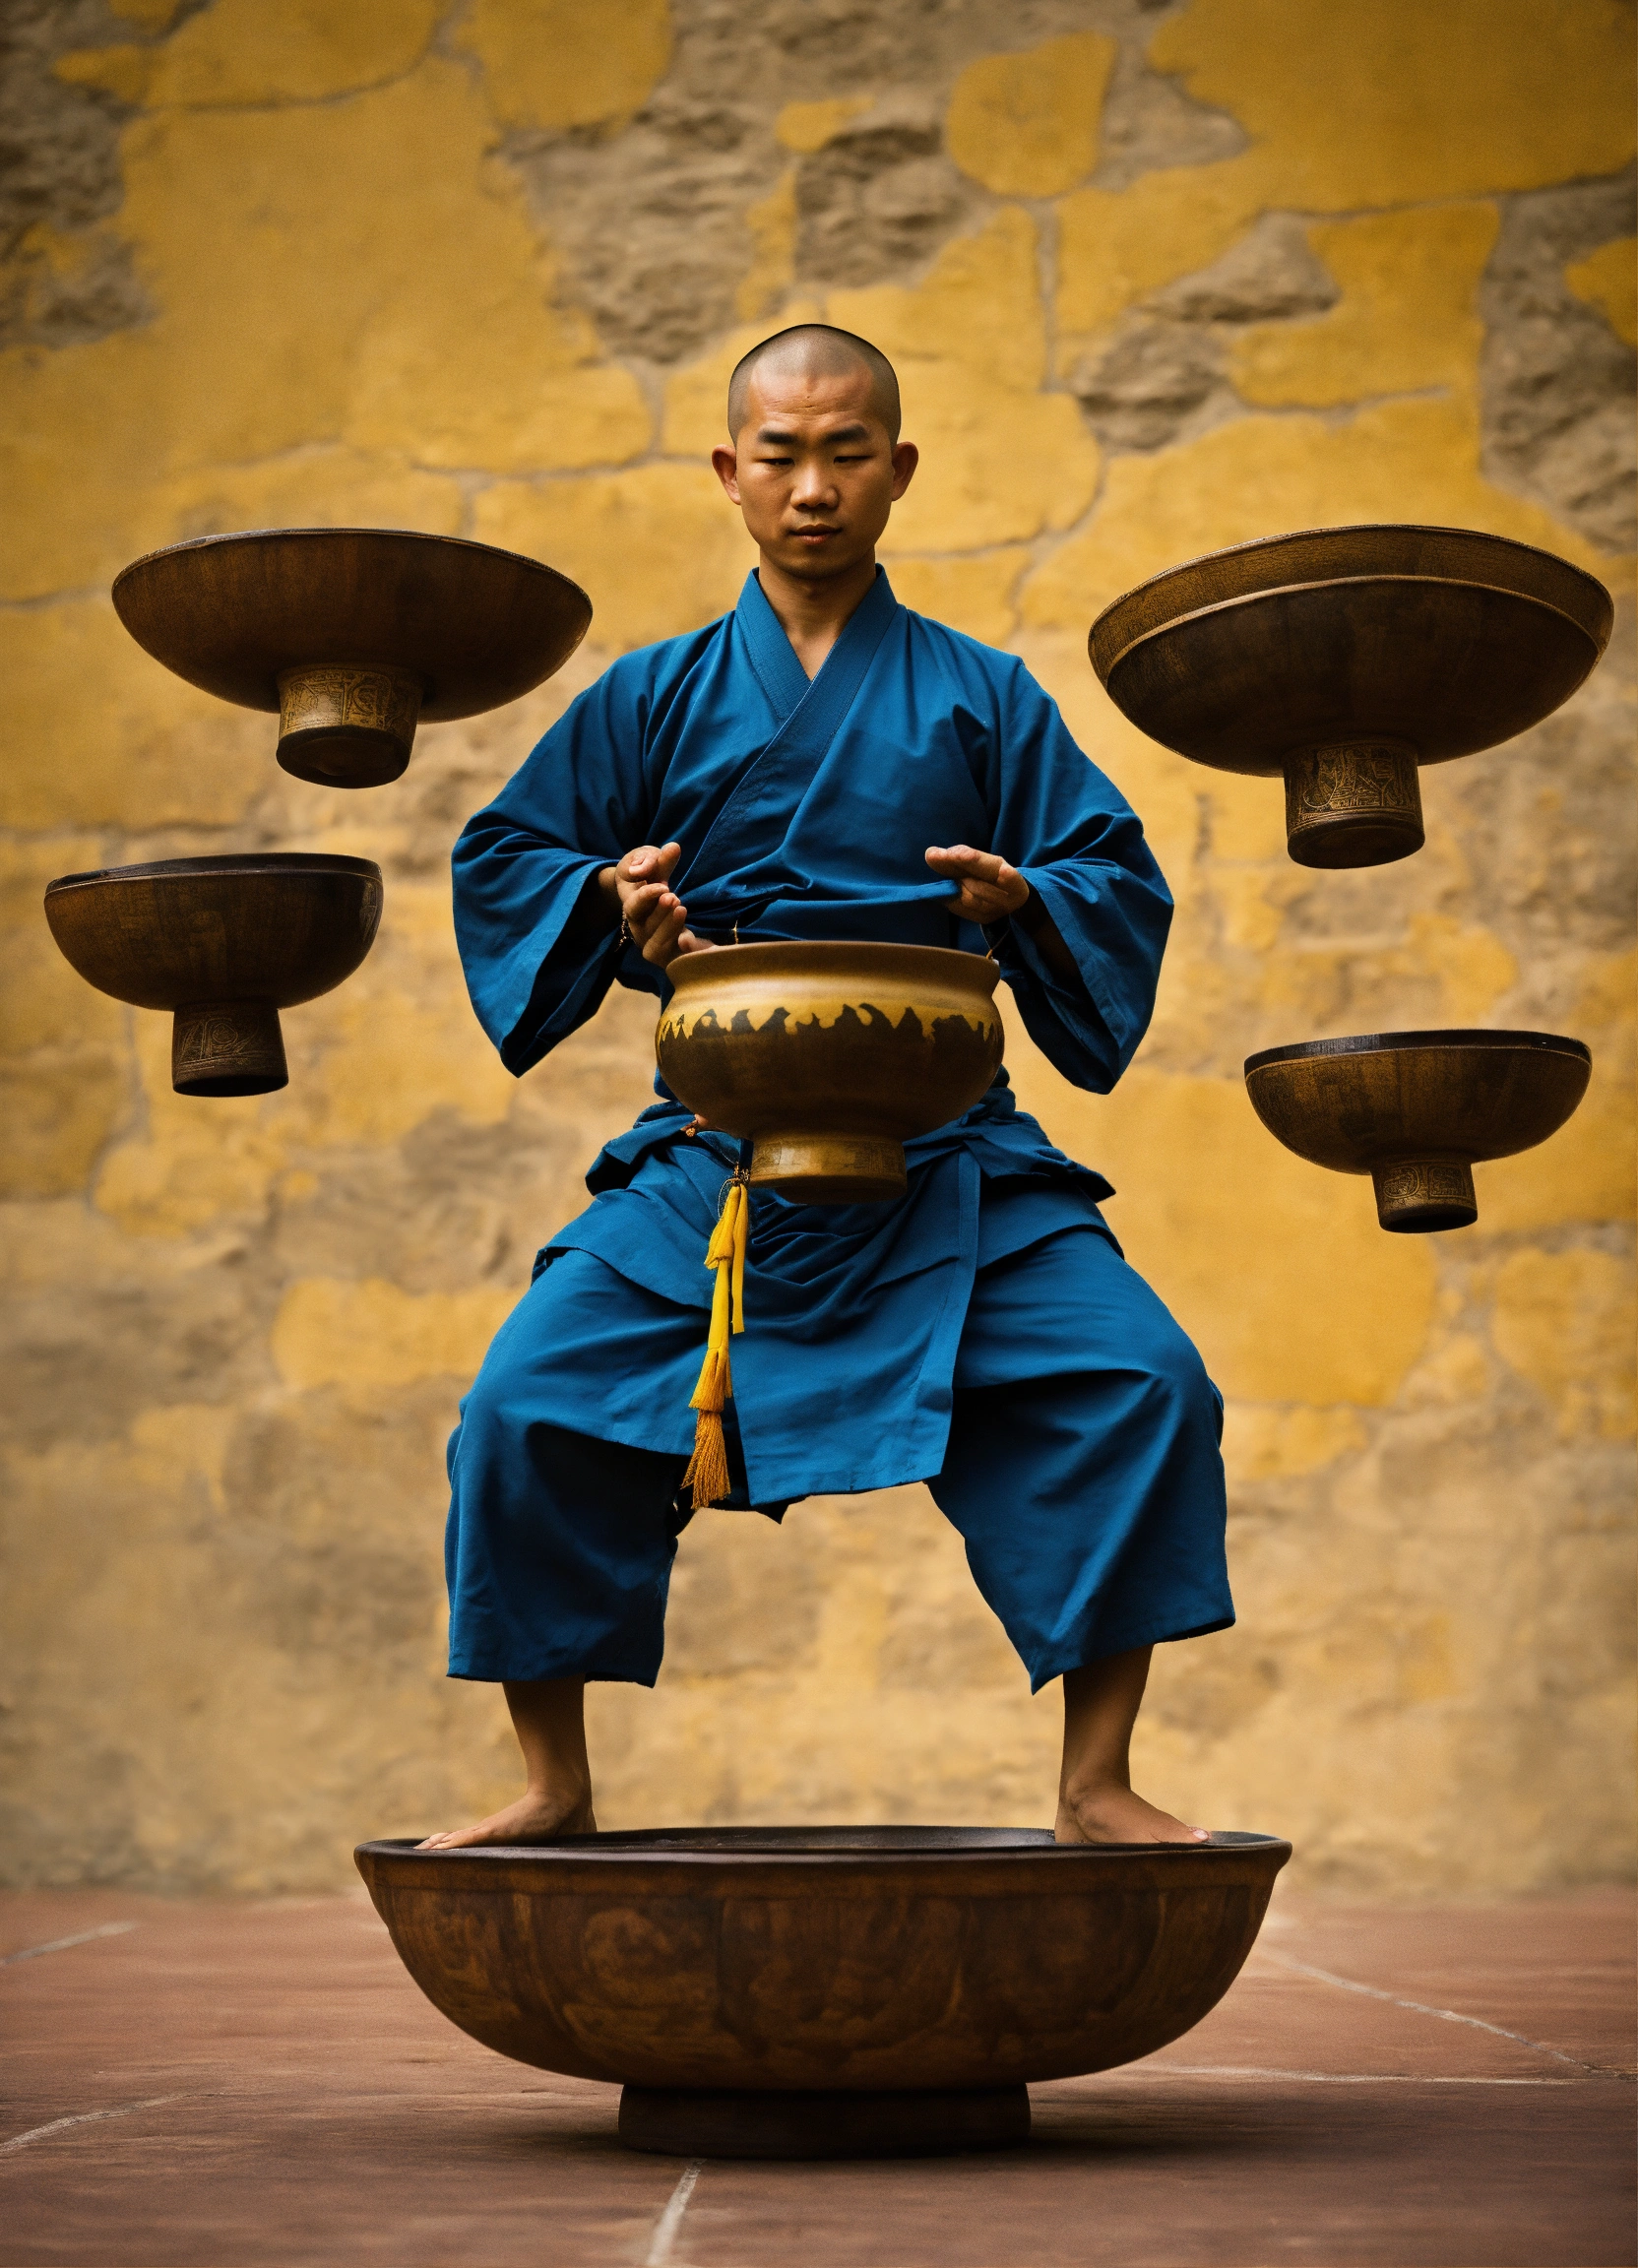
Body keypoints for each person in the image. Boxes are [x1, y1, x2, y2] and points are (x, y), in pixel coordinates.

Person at [420, 324, 1232, 1853]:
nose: (813, 488)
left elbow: (1106, 867)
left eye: (847, 452)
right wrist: (616, 908)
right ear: (729, 475)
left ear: (898, 470)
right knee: (522, 1407)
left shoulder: (983, 695)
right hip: (713, 1154)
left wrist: (1019, 902)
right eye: (780, 455)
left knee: (1145, 1382)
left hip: (952, 1151)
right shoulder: (651, 696)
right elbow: (509, 856)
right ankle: (552, 1781)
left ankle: (1097, 1781)